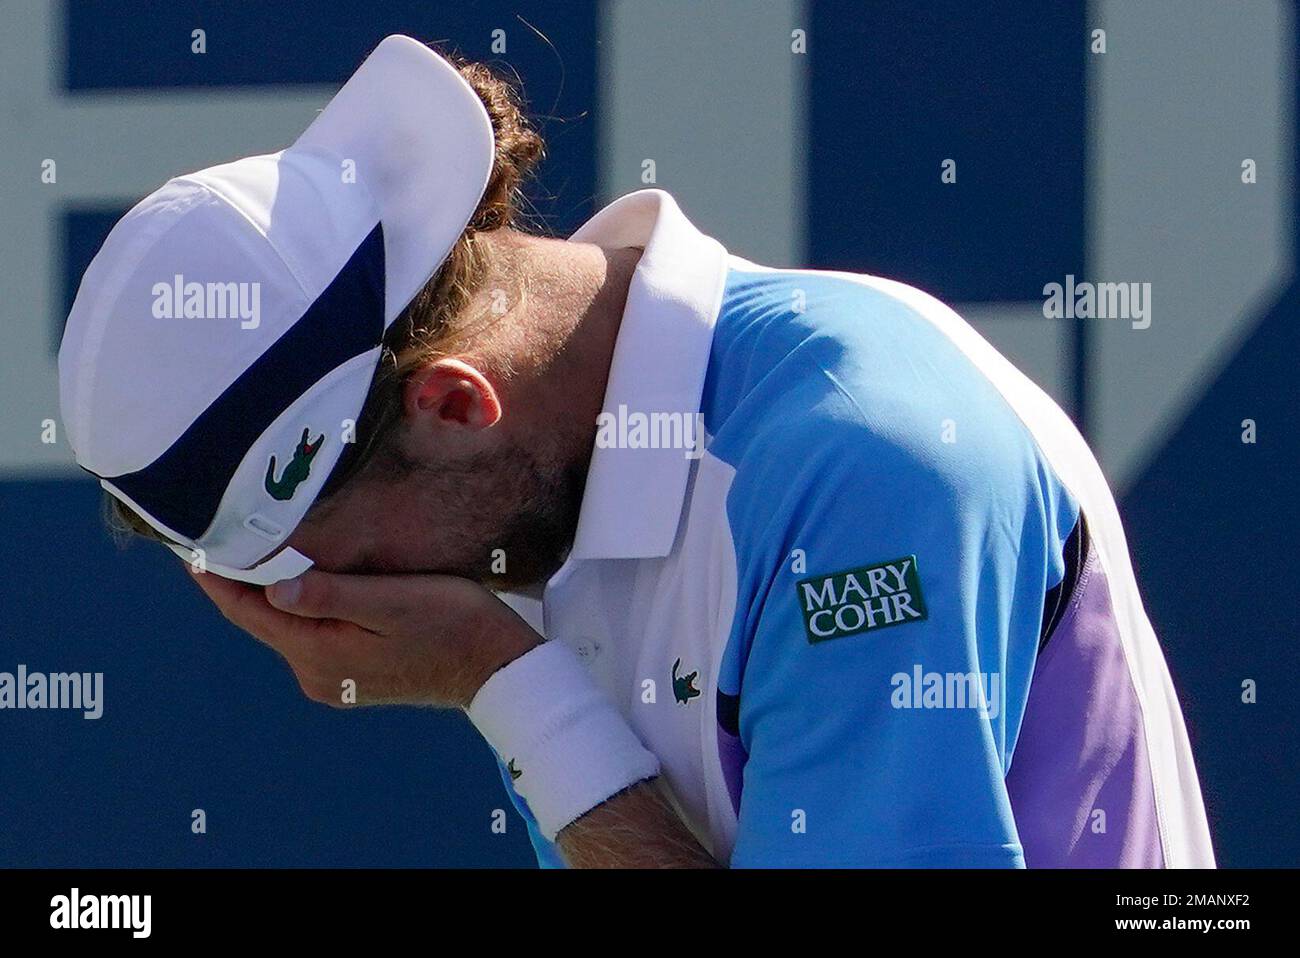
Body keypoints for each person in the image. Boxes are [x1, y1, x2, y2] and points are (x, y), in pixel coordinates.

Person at [59, 35, 1215, 868]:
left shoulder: (866, 463)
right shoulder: (539, 504)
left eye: (325, 564)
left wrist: (507, 688)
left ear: (455, 407)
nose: (340, 605)